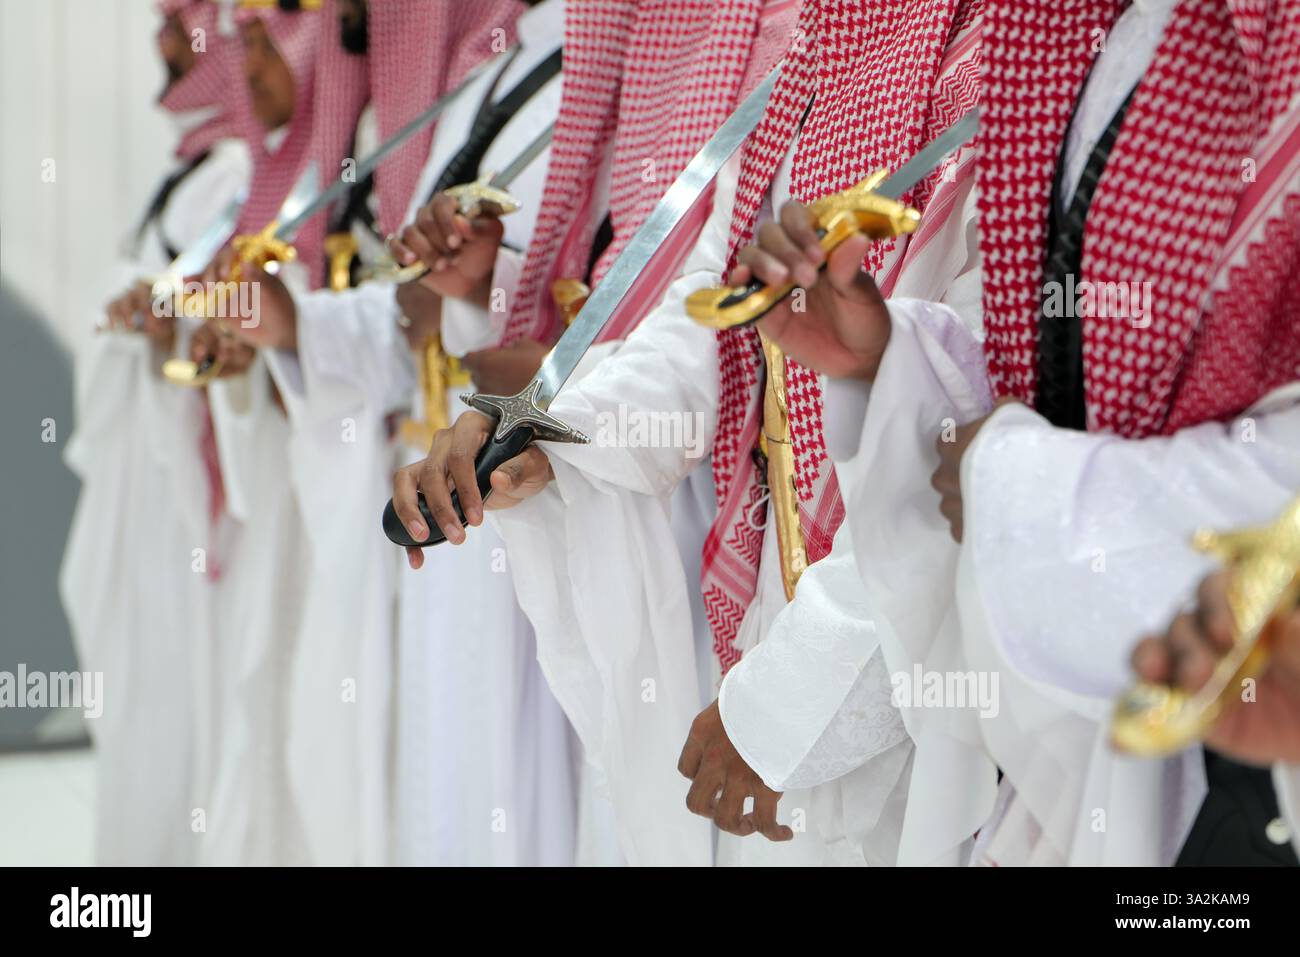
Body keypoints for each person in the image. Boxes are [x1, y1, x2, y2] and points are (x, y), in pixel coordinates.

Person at [390, 0, 979, 866]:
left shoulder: (998, 72)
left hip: (916, 646)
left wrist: (789, 701)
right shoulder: (824, 54)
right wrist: (551, 438)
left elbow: (964, 425)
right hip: (778, 609)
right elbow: (703, 319)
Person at [747, 0, 1300, 865]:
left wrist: (1017, 481)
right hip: (1069, 742)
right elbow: (1066, 387)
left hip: (1245, 767)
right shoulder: (1093, 30)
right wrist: (894, 372)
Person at [59, 0, 249, 866]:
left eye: (180, 20)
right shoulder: (192, 166)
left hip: (189, 500)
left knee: (185, 707)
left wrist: (162, 318)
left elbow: (225, 319)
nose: (161, 37)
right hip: (139, 488)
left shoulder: (243, 170)